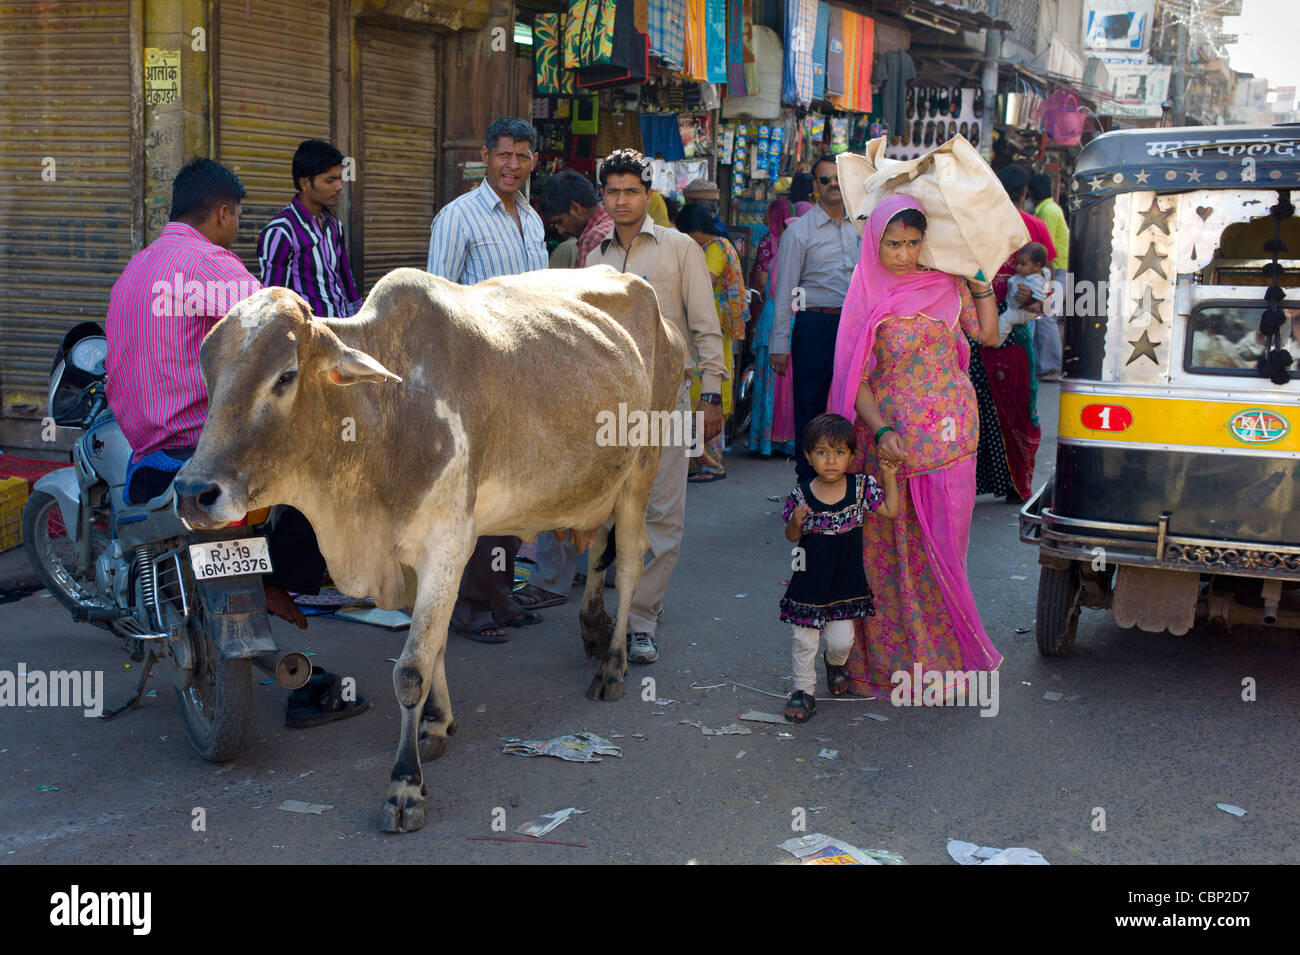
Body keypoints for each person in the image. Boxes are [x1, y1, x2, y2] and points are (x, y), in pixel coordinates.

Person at [105, 158, 364, 726]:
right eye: (235, 218)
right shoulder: (210, 265)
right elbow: (284, 327)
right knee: (328, 457)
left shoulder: (134, 271)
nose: (235, 229)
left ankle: (256, 578)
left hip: (148, 459)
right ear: (222, 212)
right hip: (211, 455)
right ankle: (284, 578)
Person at [828, 195, 1004, 697]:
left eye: (912, 243)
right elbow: (855, 376)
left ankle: (946, 667)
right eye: (893, 244)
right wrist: (882, 430)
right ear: (874, 241)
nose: (903, 254)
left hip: (951, 445)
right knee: (886, 558)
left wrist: (977, 279)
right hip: (890, 448)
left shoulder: (947, 287)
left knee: (943, 553)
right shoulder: (865, 294)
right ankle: (886, 668)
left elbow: (988, 335)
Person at [587, 149, 726, 664]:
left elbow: (706, 324)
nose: (621, 201)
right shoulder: (594, 258)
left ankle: (642, 621)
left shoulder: (679, 249)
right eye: (612, 192)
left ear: (648, 196)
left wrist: (711, 394)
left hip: (672, 399)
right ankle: (603, 612)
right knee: (604, 509)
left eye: (630, 191)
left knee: (663, 512)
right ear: (602, 196)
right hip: (609, 406)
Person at [426, 117, 550, 642]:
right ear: (485, 156)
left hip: (524, 379)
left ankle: (498, 598)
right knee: (475, 497)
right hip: (475, 379)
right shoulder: (458, 217)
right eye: (504, 155)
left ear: (533, 162)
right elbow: (437, 301)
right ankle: (470, 607)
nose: (512, 165)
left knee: (512, 495)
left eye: (522, 156)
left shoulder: (533, 219)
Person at [522, 170, 618, 610]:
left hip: (590, 380)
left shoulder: (597, 244)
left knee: (559, 482)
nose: (560, 231)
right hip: (611, 381)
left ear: (578, 210)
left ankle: (551, 580)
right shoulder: (603, 236)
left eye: (560, 221)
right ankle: (596, 569)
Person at [779, 413, 898, 723]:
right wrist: (796, 522)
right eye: (821, 452)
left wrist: (889, 476)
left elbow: (890, 510)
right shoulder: (800, 495)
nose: (830, 460)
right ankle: (803, 691)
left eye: (839, 452)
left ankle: (835, 664)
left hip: (845, 581)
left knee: (841, 642)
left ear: (851, 455)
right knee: (804, 639)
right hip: (808, 579)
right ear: (807, 456)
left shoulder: (860, 488)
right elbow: (792, 537)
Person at [971, 163, 1057, 504]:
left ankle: (1001, 483)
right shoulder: (1033, 225)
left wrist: (1033, 301)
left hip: (982, 330)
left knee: (983, 406)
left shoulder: (976, 227)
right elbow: (1053, 294)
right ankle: (1016, 484)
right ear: (1026, 194)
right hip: (1003, 334)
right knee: (1019, 409)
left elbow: (1047, 291)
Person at [770, 155, 859, 482]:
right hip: (814, 326)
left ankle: (845, 482)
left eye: (838, 178)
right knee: (811, 404)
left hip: (854, 328)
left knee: (851, 404)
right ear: (815, 186)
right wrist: (780, 344)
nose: (833, 184)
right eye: (825, 179)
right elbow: (785, 292)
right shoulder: (800, 233)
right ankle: (807, 482)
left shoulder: (863, 226)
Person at [676, 202, 747, 483]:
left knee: (707, 393)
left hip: (711, 328)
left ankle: (711, 464)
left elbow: (702, 282)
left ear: (696, 230)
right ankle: (703, 461)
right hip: (715, 328)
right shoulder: (719, 245)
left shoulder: (715, 249)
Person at [257, 139, 361, 318]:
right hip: (310, 338)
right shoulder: (281, 232)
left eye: (339, 178)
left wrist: (358, 320)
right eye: (330, 180)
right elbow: (273, 301)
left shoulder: (334, 226)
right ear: (305, 183)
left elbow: (345, 279)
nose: (339, 187)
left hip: (342, 330)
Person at [748, 197, 795, 457]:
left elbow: (770, 289)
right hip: (785, 327)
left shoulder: (778, 255)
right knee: (783, 389)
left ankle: (766, 440)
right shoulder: (790, 260)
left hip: (773, 324)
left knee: (771, 386)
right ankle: (782, 439)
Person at [1028, 172, 1069, 380]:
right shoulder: (1049, 208)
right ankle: (1047, 365)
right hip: (1058, 269)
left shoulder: (1047, 212)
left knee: (1045, 315)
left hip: (1057, 269)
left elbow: (1045, 249)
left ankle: (1052, 366)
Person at [538, 170, 613, 268]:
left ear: (576, 208)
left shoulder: (592, 240)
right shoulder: (614, 222)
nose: (561, 231)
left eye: (560, 222)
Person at [998, 242, 1051, 342]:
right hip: (1014, 307)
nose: (1017, 267)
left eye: (1022, 264)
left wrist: (1034, 301)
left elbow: (1040, 297)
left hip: (1022, 311)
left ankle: (997, 340)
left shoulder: (1036, 280)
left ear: (1036, 266)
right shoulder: (1026, 274)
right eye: (1017, 263)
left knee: (1006, 319)